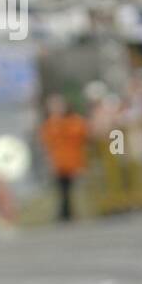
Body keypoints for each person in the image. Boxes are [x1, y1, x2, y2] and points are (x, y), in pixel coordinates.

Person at [38, 93, 89, 222]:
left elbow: (82, 136)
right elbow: (46, 144)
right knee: (61, 190)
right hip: (58, 162)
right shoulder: (49, 125)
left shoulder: (74, 121)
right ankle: (64, 213)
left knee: (73, 188)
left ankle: (74, 212)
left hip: (72, 160)